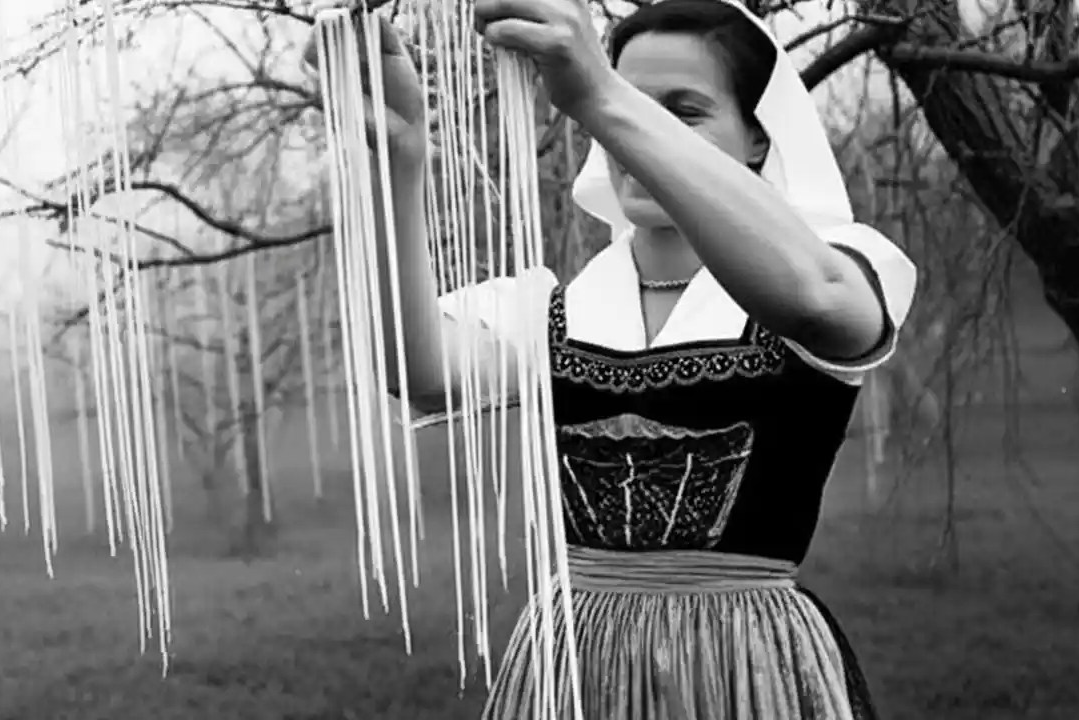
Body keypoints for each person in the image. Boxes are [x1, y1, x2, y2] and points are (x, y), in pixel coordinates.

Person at [307, 0, 916, 717]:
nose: (631, 137)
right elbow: (420, 372)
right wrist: (395, 159)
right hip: (574, 667)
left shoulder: (841, 264)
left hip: (747, 669)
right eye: (626, 107)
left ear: (759, 138)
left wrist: (603, 94)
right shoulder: (557, 311)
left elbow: (817, 301)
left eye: (679, 112)